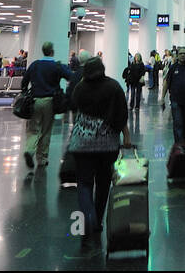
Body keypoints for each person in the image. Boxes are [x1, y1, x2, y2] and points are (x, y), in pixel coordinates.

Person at [66, 54, 134, 239]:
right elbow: (121, 116)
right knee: (103, 183)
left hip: (82, 143)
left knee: (84, 183)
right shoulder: (113, 87)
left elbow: (73, 105)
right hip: (107, 144)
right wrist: (125, 135)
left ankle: (87, 217)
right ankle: (98, 221)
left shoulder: (80, 88)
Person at [21, 42, 74, 172]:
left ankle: (29, 150)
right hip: (50, 101)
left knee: (33, 129)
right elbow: (70, 76)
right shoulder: (56, 66)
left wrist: (25, 92)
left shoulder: (35, 65)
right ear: (52, 51)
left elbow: (24, 81)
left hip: (35, 100)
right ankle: (42, 159)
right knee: (46, 130)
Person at [162, 48, 185, 143]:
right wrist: (162, 98)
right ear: (177, 55)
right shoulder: (173, 67)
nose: (183, 55)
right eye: (181, 53)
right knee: (178, 124)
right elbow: (166, 83)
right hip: (175, 100)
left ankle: (183, 142)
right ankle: (179, 145)